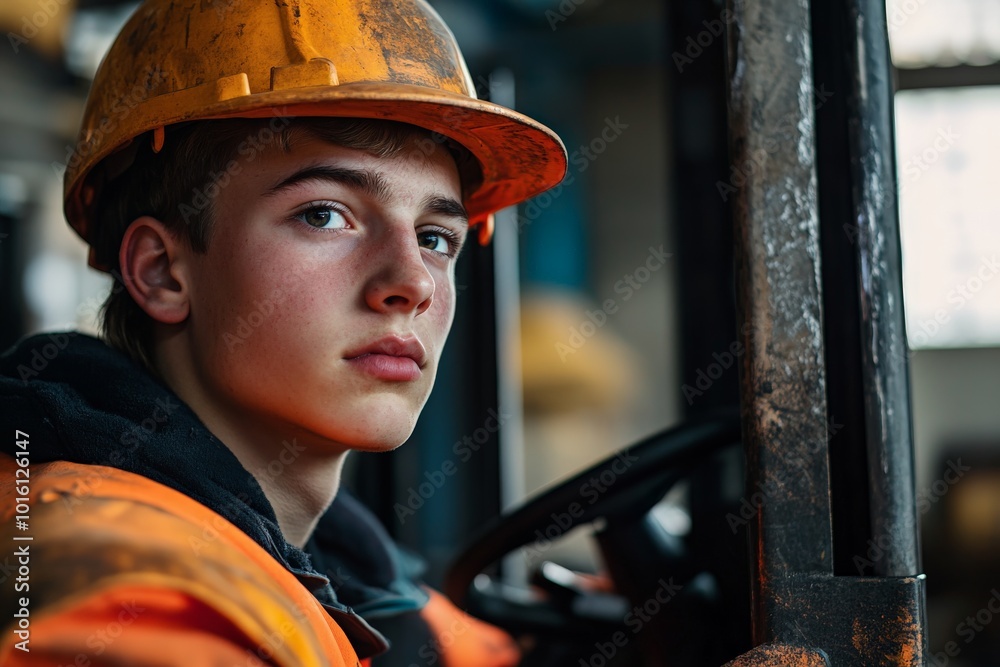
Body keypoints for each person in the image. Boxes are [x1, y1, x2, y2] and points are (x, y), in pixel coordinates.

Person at [0, 0, 566, 664]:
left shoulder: (339, 565)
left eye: (436, 237)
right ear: (162, 273)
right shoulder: (124, 571)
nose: (411, 282)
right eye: (324, 215)